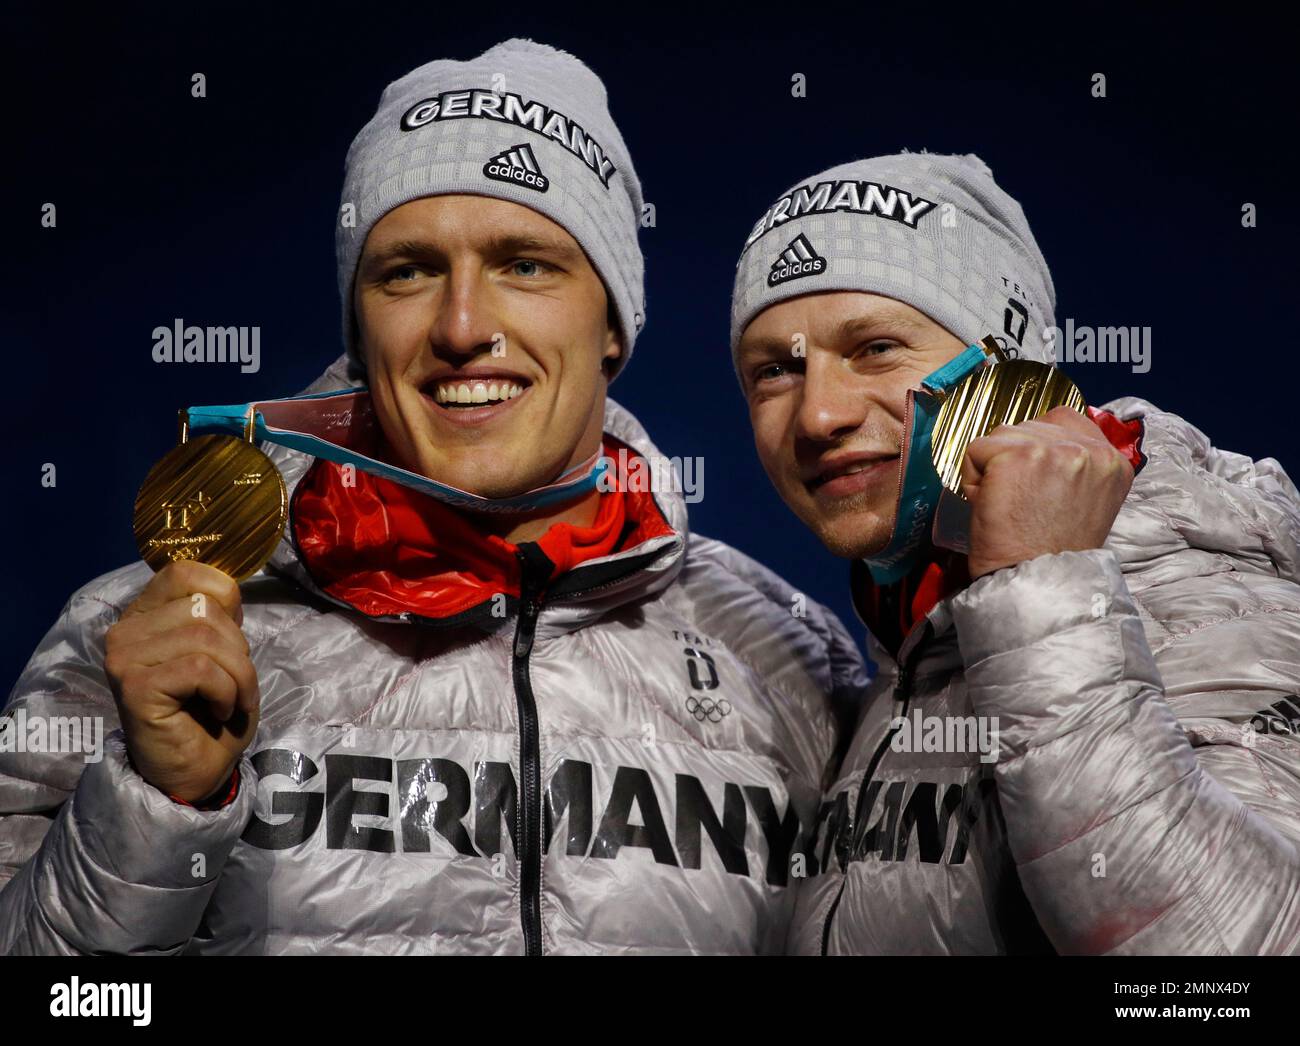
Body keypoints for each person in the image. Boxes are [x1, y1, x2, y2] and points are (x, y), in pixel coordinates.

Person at [0, 39, 865, 955]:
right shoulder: (140, 632)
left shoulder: (786, 655)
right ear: (360, 318)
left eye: (524, 264)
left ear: (613, 323)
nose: (461, 327)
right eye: (407, 270)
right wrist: (158, 810)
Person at [730, 151, 1300, 954]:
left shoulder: (1212, 597)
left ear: (1007, 365)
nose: (818, 413)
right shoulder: (908, 651)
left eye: (876, 348)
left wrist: (1045, 585)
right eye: (777, 370)